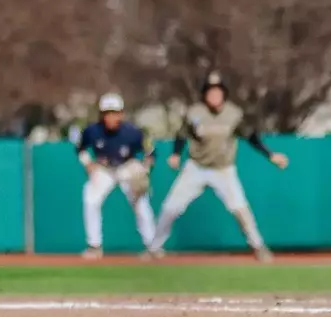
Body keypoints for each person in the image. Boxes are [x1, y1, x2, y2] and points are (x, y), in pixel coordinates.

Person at [147, 70, 289, 263]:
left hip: (223, 169)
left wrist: (270, 154)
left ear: (224, 93)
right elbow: (182, 134)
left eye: (218, 91)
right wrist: (175, 154)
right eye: (210, 91)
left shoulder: (234, 114)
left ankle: (258, 246)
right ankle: (154, 248)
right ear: (205, 94)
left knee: (240, 209)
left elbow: (250, 136)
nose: (214, 95)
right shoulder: (195, 112)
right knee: (171, 208)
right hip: (196, 167)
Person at [75, 92, 156, 260]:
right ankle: (94, 246)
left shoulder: (133, 133)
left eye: (115, 113)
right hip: (104, 169)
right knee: (90, 198)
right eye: (107, 113)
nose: (111, 117)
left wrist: (144, 168)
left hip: (127, 166)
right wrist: (88, 163)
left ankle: (152, 246)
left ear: (121, 114)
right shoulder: (92, 131)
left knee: (140, 204)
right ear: (101, 115)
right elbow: (80, 148)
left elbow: (151, 152)